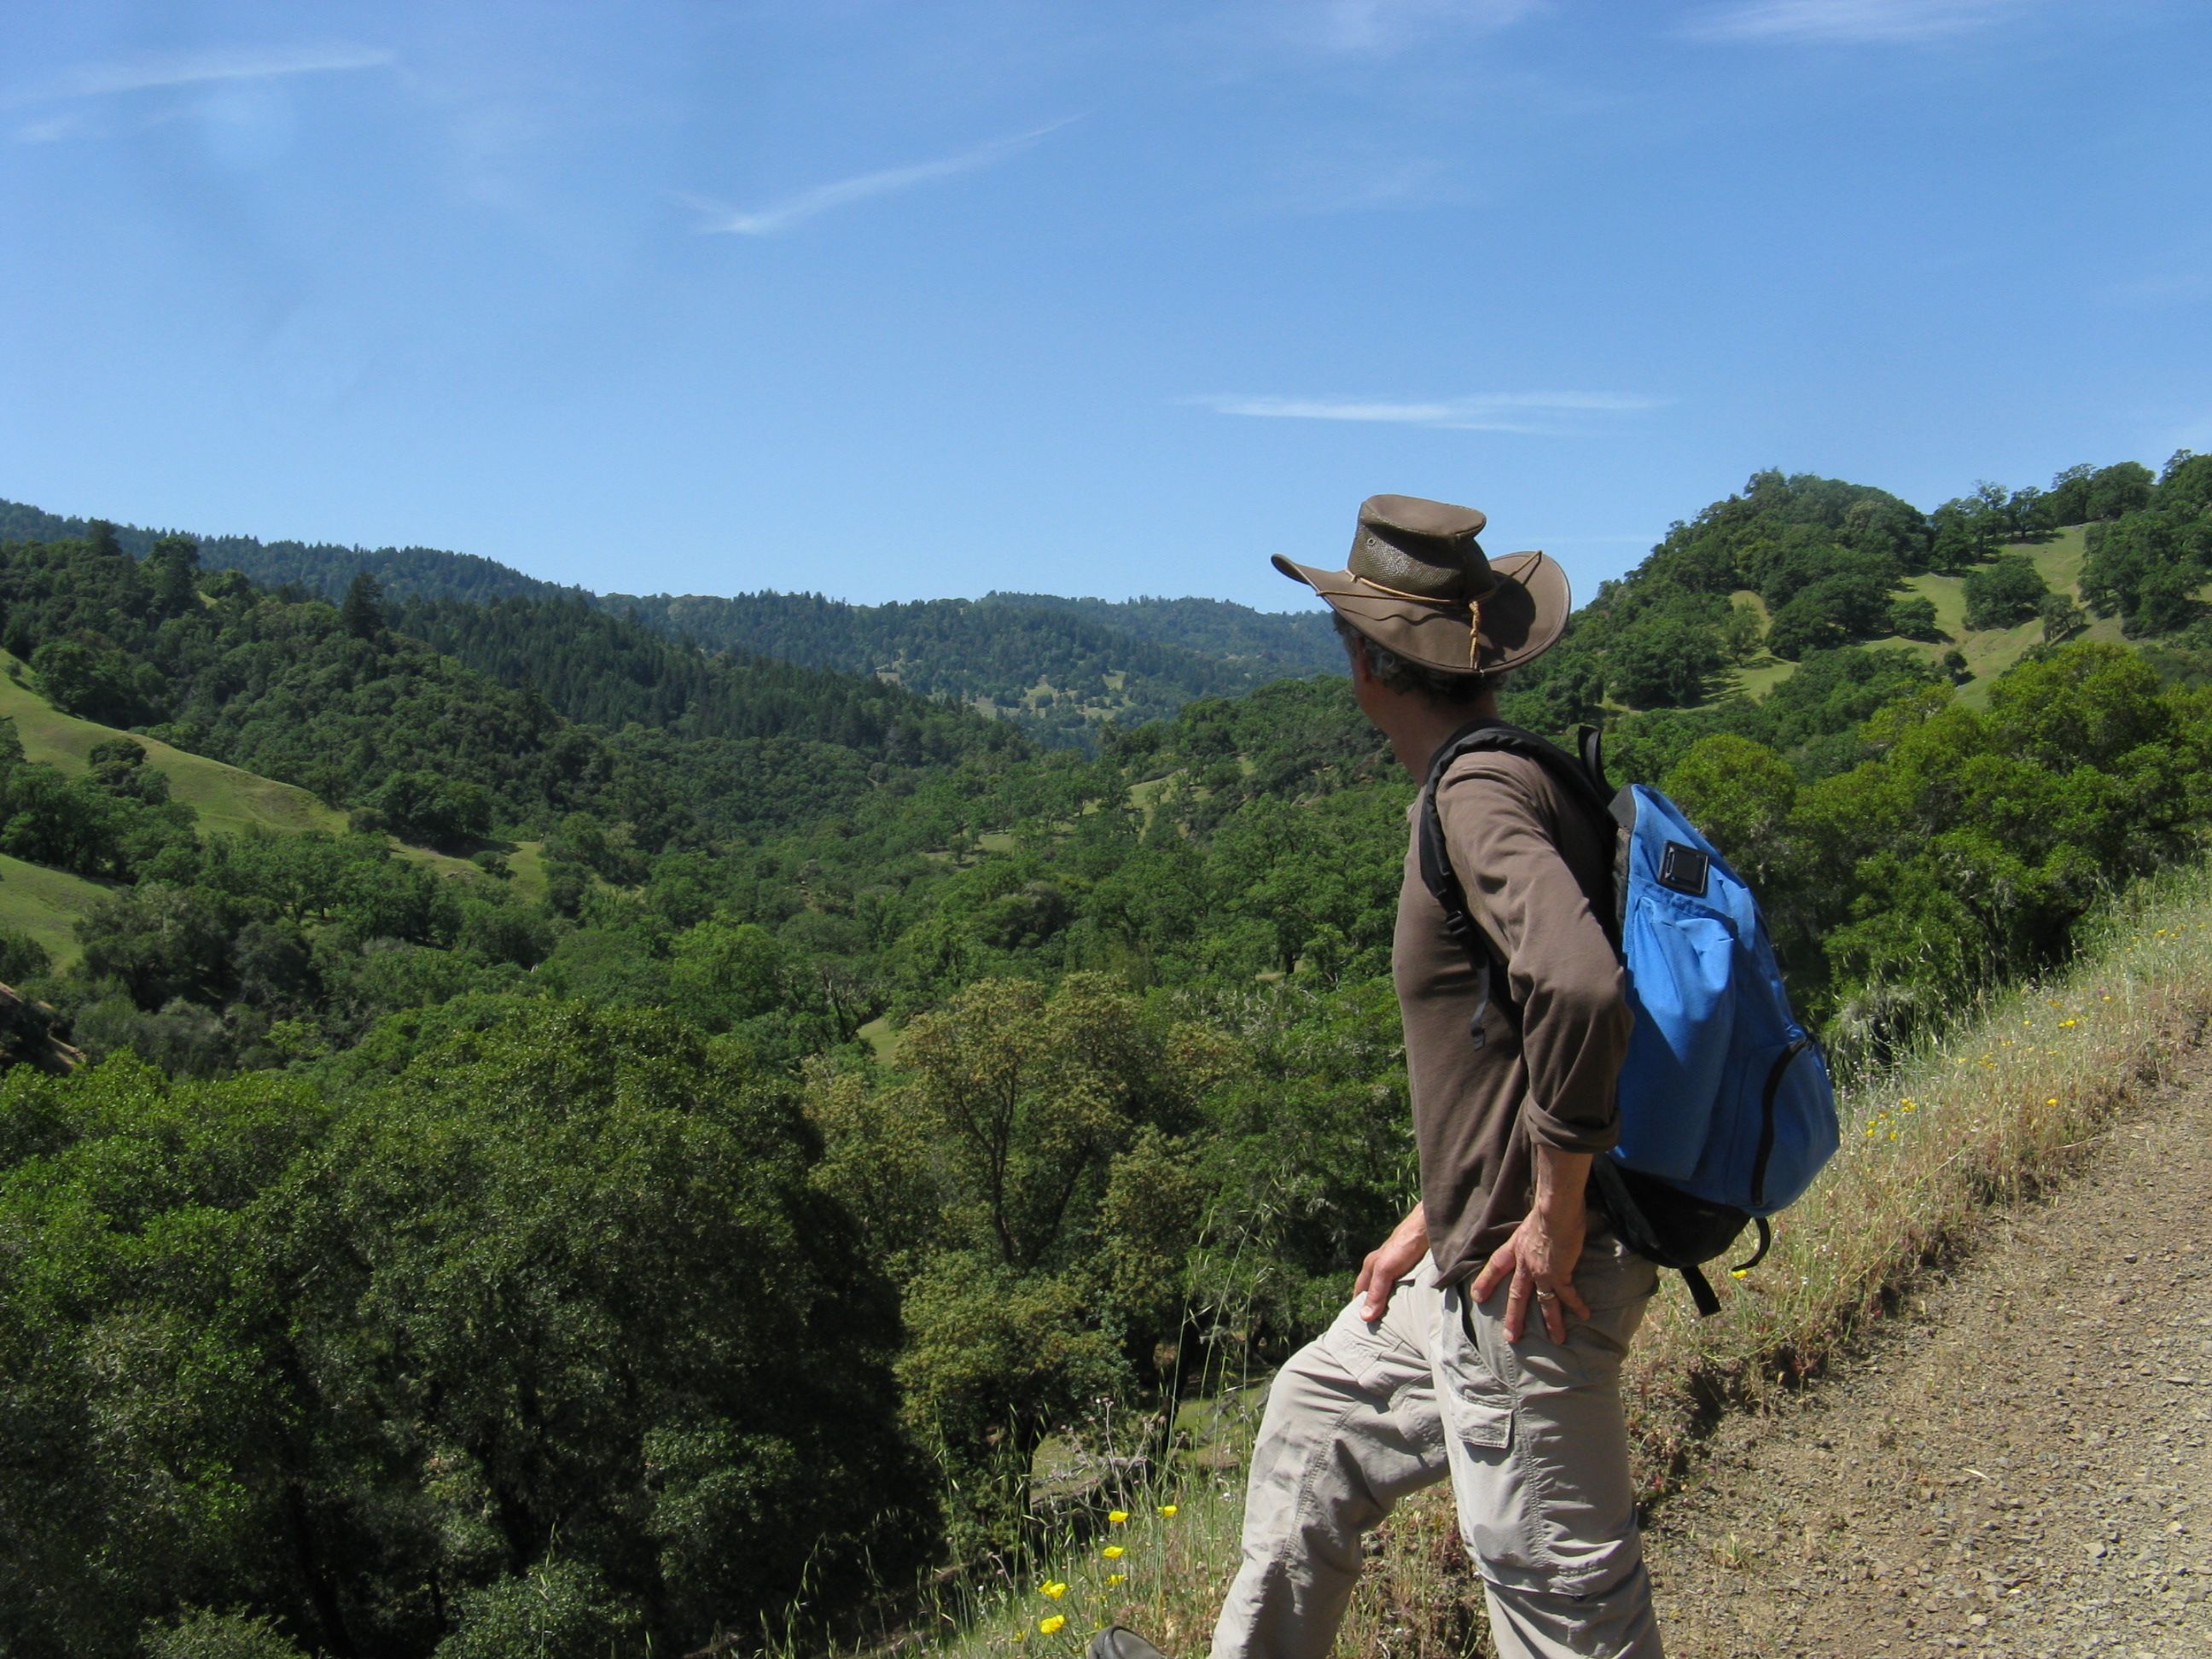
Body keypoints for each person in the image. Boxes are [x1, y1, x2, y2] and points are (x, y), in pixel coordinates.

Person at [1094, 494, 1664, 1659]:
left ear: (1364, 662)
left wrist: (1551, 1213)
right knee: (1318, 1414)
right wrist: (1428, 1217)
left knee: (1562, 1604)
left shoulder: (1474, 794)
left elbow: (1581, 988)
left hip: (1526, 1288)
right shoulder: (1518, 775)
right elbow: (1513, 1038)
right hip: (1471, 1257)